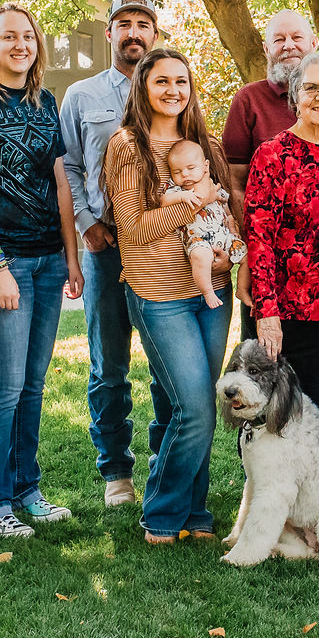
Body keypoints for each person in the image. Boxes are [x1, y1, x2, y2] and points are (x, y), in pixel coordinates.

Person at [0, 3, 83, 539]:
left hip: (48, 261)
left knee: (31, 384)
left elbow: (60, 184)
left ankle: (26, 491)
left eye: (28, 36)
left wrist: (71, 256)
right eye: (9, 36)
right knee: (3, 385)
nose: (20, 45)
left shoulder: (45, 102)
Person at [103, 49, 236, 543]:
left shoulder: (205, 145)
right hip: (158, 295)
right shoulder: (128, 146)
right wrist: (195, 202)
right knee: (196, 408)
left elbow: (225, 215)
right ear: (143, 87)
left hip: (212, 294)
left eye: (182, 81)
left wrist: (226, 258)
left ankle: (195, 511)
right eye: (162, 81)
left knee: (198, 404)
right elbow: (134, 228)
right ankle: (162, 512)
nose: (173, 90)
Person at [60, 0, 159, 508]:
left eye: (143, 23)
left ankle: (165, 461)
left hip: (163, 247)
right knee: (109, 365)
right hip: (107, 244)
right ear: (110, 33)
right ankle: (117, 471)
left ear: (155, 34)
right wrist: (86, 225)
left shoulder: (171, 86)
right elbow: (68, 165)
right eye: (125, 23)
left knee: (167, 362)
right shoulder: (82, 95)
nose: (134, 32)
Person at [221, 10, 319, 333]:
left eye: (296, 37)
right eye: (279, 39)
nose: (289, 45)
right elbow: (240, 193)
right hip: (287, 294)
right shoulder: (259, 123)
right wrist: (251, 265)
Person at [245, 51, 319, 445]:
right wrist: (267, 314)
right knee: (292, 423)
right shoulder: (273, 154)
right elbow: (259, 238)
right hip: (294, 314)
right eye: (310, 87)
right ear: (295, 96)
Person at [165, 139, 246, 310]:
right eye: (177, 171)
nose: (185, 175)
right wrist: (182, 197)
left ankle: (242, 288)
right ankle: (208, 291)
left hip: (224, 236)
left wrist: (232, 228)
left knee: (247, 257)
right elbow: (163, 200)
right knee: (201, 256)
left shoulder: (212, 185)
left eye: (190, 168)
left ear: (205, 166)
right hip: (199, 239)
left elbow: (226, 208)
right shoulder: (179, 190)